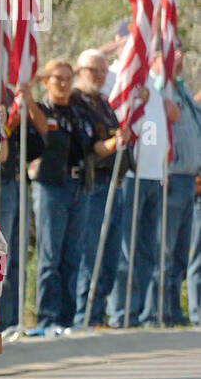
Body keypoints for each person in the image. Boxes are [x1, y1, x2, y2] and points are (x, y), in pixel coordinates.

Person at [31, 59, 99, 332]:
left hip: (78, 186)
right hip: (51, 187)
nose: (63, 83)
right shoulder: (40, 109)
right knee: (50, 257)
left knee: (73, 256)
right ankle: (47, 319)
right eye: (57, 78)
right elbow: (40, 132)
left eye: (67, 78)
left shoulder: (78, 111)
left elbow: (93, 142)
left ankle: (67, 319)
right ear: (45, 81)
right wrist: (30, 86)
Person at [107, 60, 174, 328]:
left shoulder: (156, 87)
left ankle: (143, 312)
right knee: (125, 250)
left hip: (154, 177)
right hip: (132, 176)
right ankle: (121, 311)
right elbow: (114, 109)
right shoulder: (120, 73)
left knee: (146, 250)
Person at [73, 50, 128, 327]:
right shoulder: (77, 102)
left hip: (114, 183)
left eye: (102, 71)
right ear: (80, 71)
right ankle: (84, 313)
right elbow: (92, 147)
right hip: (93, 185)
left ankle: (98, 313)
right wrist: (114, 142)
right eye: (93, 70)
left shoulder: (104, 104)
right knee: (90, 252)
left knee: (112, 254)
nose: (98, 76)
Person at [143, 56, 198, 326]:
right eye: (171, 51)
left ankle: (173, 310)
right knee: (163, 249)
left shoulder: (182, 90)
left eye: (180, 51)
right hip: (171, 176)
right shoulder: (158, 88)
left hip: (189, 180)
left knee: (180, 251)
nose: (179, 57)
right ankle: (156, 311)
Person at [0, 81, 46, 332]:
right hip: (1, 184)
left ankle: (14, 320)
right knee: (1, 253)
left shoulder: (20, 94)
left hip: (19, 180)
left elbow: (43, 135)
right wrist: (8, 122)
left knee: (18, 256)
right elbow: (0, 150)